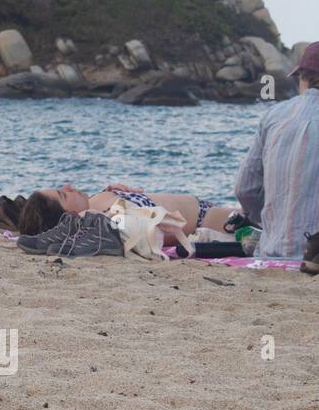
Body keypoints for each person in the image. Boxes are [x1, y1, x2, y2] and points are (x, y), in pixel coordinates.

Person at [234, 42, 319, 260]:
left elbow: (245, 189)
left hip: (270, 255)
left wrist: (270, 219)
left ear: (302, 77)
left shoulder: (273, 115)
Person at [17, 183, 235, 243]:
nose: (68, 186)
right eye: (63, 195)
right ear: (69, 217)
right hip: (206, 219)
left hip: (204, 207)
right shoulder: (107, 221)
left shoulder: (95, 201)